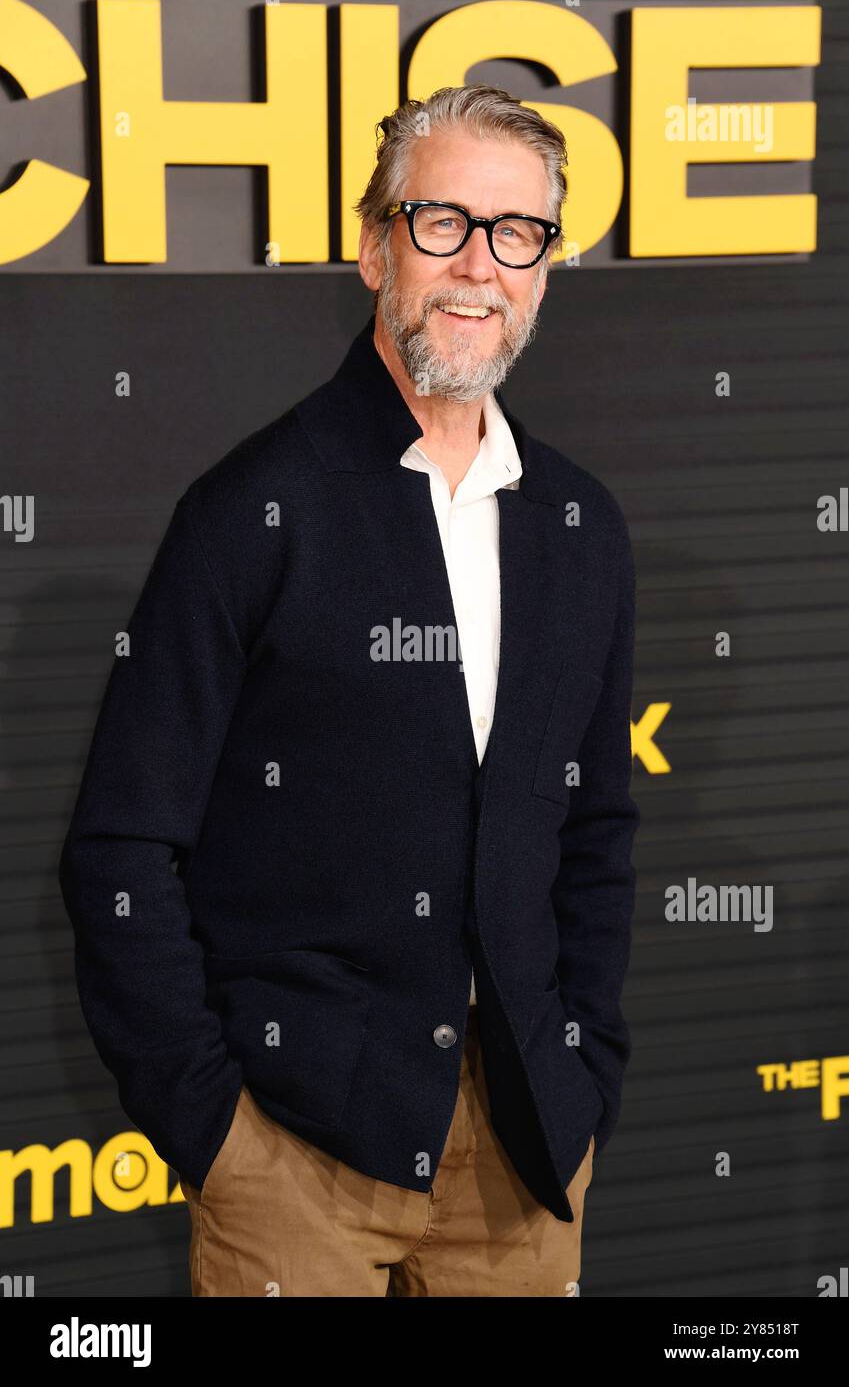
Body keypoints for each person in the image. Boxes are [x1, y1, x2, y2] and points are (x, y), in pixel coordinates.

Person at [59, 84, 640, 1297]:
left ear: (545, 267)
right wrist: (219, 1139)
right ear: (376, 244)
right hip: (295, 1161)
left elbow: (596, 830)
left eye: (516, 233)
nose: (479, 265)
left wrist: (584, 1077)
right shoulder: (251, 513)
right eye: (442, 223)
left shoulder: (582, 525)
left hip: (527, 1157)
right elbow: (121, 847)